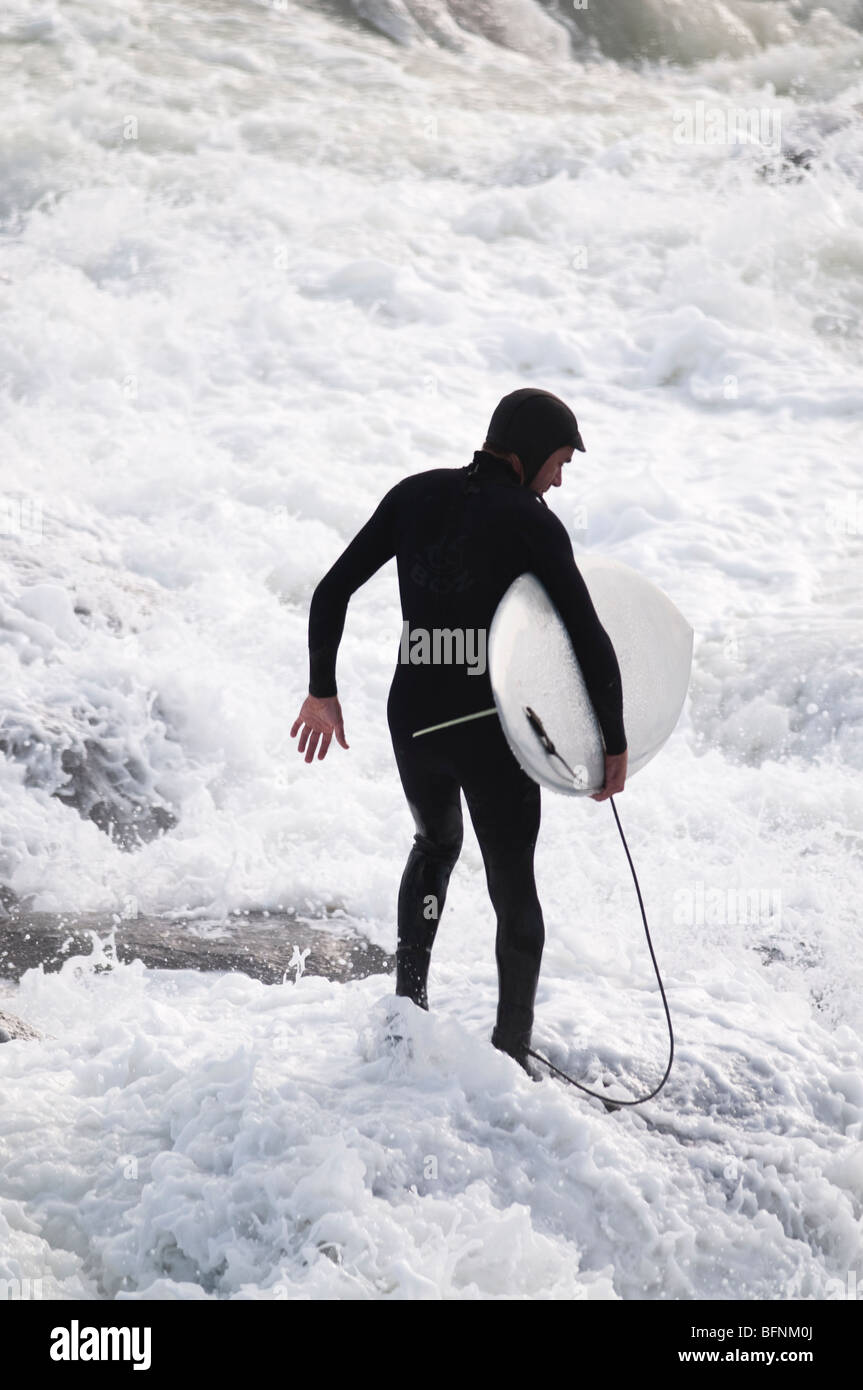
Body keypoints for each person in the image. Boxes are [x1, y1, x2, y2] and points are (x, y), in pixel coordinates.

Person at [291, 388, 627, 1074]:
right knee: (511, 884)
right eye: (559, 462)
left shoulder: (412, 494)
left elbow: (330, 591)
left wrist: (321, 692)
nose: (558, 479)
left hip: (412, 714)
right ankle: (511, 1054)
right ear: (527, 453)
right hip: (484, 728)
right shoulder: (530, 524)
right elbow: (587, 638)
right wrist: (614, 741)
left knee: (434, 844)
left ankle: (405, 1017)